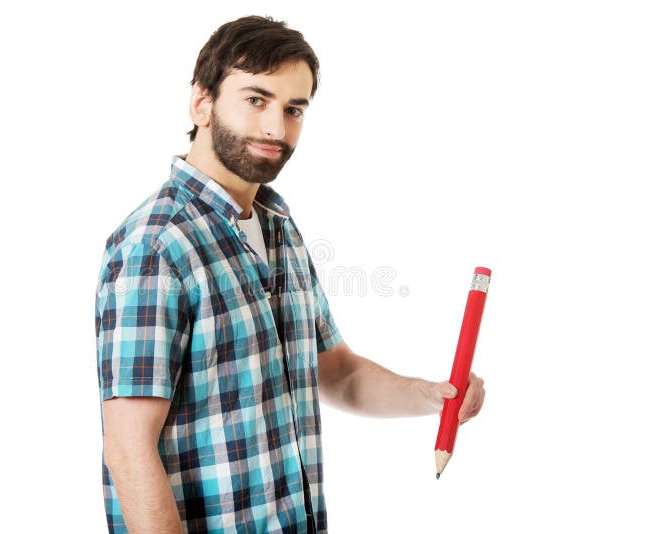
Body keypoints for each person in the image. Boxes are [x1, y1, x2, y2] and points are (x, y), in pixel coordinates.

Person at [94, 15, 485, 533]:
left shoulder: (279, 226)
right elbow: (128, 448)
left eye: (293, 108)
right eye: (256, 100)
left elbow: (336, 371)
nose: (277, 128)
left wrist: (432, 396)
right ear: (202, 104)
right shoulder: (155, 244)